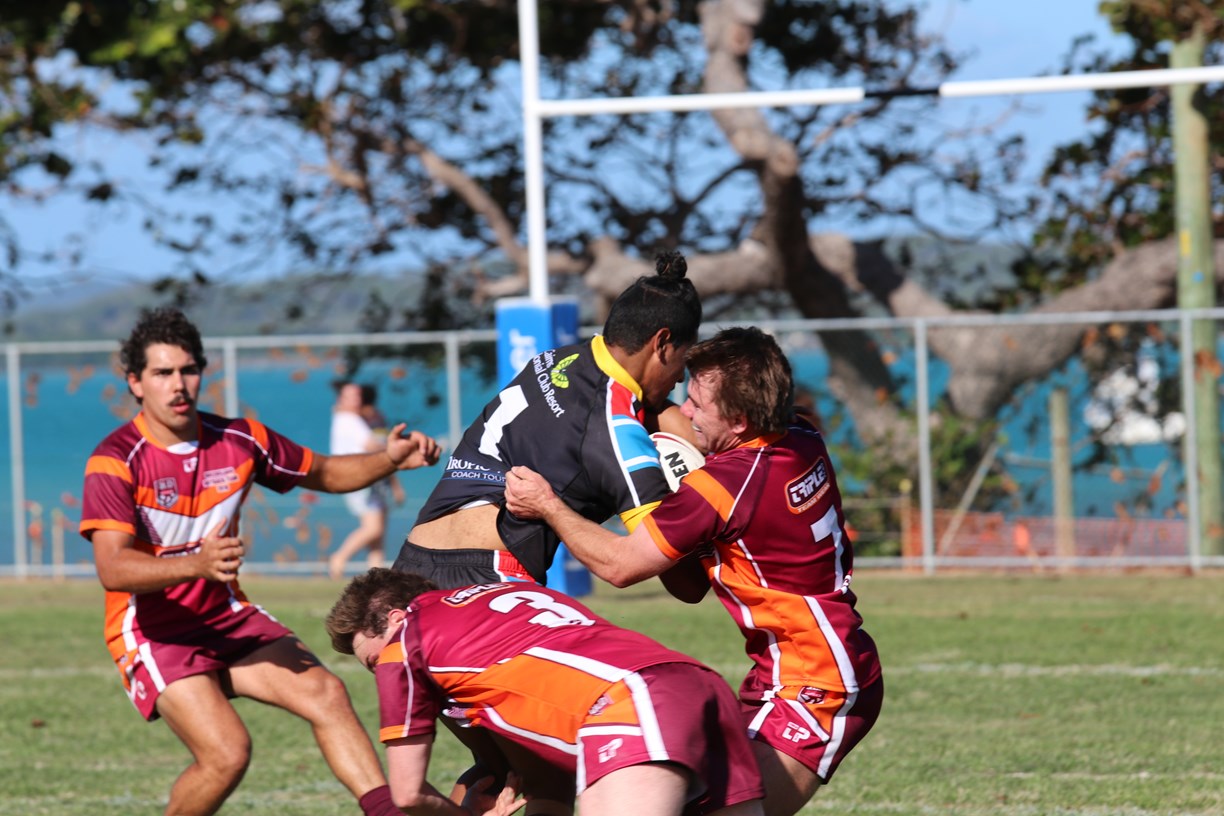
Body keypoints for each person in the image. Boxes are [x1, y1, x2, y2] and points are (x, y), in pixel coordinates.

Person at [504, 326, 884, 816]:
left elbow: (619, 567)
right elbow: (691, 582)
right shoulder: (801, 433)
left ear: (741, 419)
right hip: (791, 665)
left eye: (698, 405)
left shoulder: (721, 488)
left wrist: (548, 506)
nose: (684, 410)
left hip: (818, 681)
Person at [78, 307, 442, 816]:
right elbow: (113, 569)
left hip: (224, 617)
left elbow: (328, 473)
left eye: (188, 370)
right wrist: (196, 565)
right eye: (162, 373)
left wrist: (389, 458)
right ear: (136, 383)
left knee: (327, 694)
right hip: (154, 630)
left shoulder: (240, 439)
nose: (178, 385)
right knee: (226, 754)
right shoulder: (116, 459)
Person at [325, 567, 766, 816]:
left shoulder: (407, 643)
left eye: (374, 661)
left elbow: (408, 795)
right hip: (699, 685)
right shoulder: (506, 596)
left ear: (397, 619)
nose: (381, 673)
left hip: (628, 702)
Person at [391, 250, 702, 590]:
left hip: (413, 557)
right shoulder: (616, 430)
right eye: (684, 360)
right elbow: (684, 584)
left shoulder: (556, 359)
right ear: (662, 343)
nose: (679, 377)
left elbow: (645, 410)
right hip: (487, 575)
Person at [329, 380, 405, 579]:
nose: (355, 400)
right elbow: (371, 445)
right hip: (358, 478)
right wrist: (399, 448)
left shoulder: (357, 419)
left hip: (372, 478)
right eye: (350, 396)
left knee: (378, 534)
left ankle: (376, 573)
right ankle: (339, 558)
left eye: (358, 396)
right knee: (373, 528)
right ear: (341, 399)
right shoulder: (347, 419)